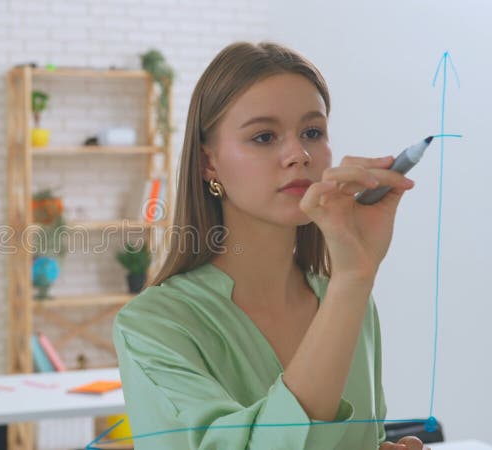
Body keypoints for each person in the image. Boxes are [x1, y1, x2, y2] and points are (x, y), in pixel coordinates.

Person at [112, 41, 428, 450]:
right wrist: (353, 278)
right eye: (264, 136)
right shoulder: (152, 327)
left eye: (312, 132)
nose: (298, 154)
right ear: (209, 162)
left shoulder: (349, 299)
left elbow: (365, 436)